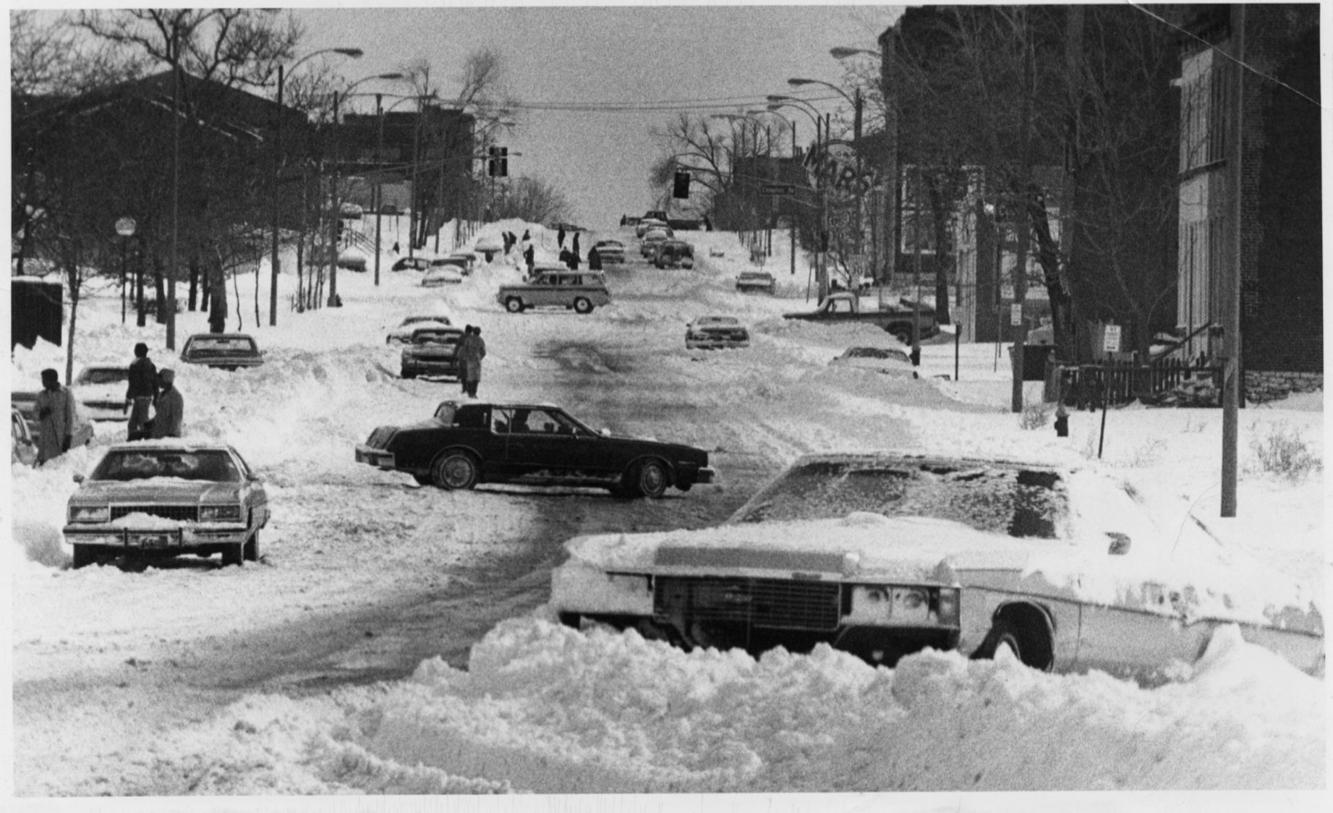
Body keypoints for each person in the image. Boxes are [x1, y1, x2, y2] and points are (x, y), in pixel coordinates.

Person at [35, 368, 76, 465]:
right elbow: (35, 414)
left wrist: (68, 436)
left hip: (60, 439)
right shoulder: (41, 395)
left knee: (58, 466)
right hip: (45, 441)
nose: (43, 383)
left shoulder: (66, 394)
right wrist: (42, 413)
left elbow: (70, 416)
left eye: (44, 380)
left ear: (52, 380)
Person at [126, 342, 158, 441]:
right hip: (147, 397)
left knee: (141, 422)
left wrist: (128, 398)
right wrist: (156, 396)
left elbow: (133, 383)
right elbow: (155, 382)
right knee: (134, 423)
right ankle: (134, 440)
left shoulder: (135, 365)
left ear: (136, 352)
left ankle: (147, 442)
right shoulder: (151, 365)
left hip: (139, 397)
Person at [149, 368, 184, 438]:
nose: (158, 381)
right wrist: (152, 422)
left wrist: (172, 435)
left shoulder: (176, 397)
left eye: (160, 379)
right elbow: (161, 415)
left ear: (165, 379)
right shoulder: (162, 395)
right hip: (158, 433)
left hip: (167, 437)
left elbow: (176, 419)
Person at [457, 325, 487, 398]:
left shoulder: (469, 339)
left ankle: (469, 392)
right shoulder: (481, 340)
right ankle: (474, 392)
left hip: (470, 360)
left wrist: (466, 357)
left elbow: (465, 349)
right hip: (476, 360)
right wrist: (479, 357)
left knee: (470, 376)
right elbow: (483, 352)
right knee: (476, 377)